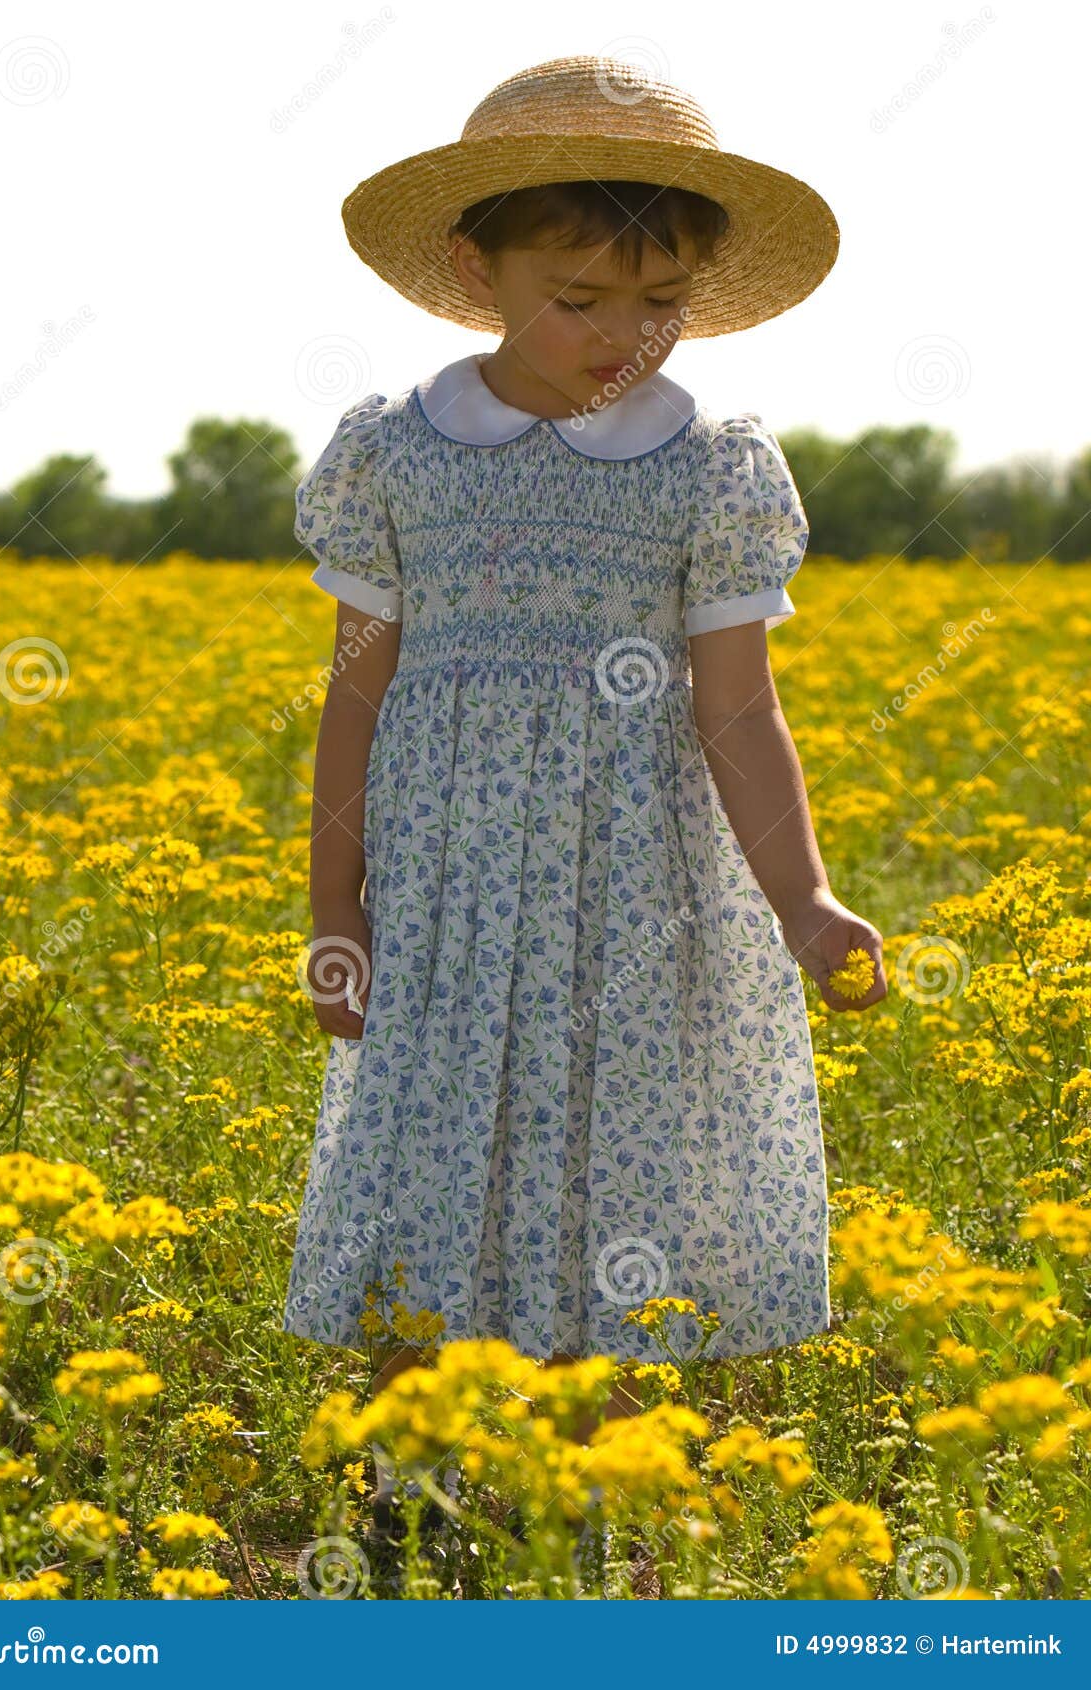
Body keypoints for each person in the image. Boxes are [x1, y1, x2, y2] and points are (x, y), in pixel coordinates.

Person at [280, 55, 887, 1562]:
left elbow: (738, 710)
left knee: (613, 1168)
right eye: (581, 298)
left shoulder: (712, 466)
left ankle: (575, 1507)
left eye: (662, 299)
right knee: (426, 1161)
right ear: (479, 270)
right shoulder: (396, 454)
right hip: (439, 894)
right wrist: (333, 906)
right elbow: (355, 696)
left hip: (637, 887)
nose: (626, 335)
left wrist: (801, 898)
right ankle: (413, 1497)